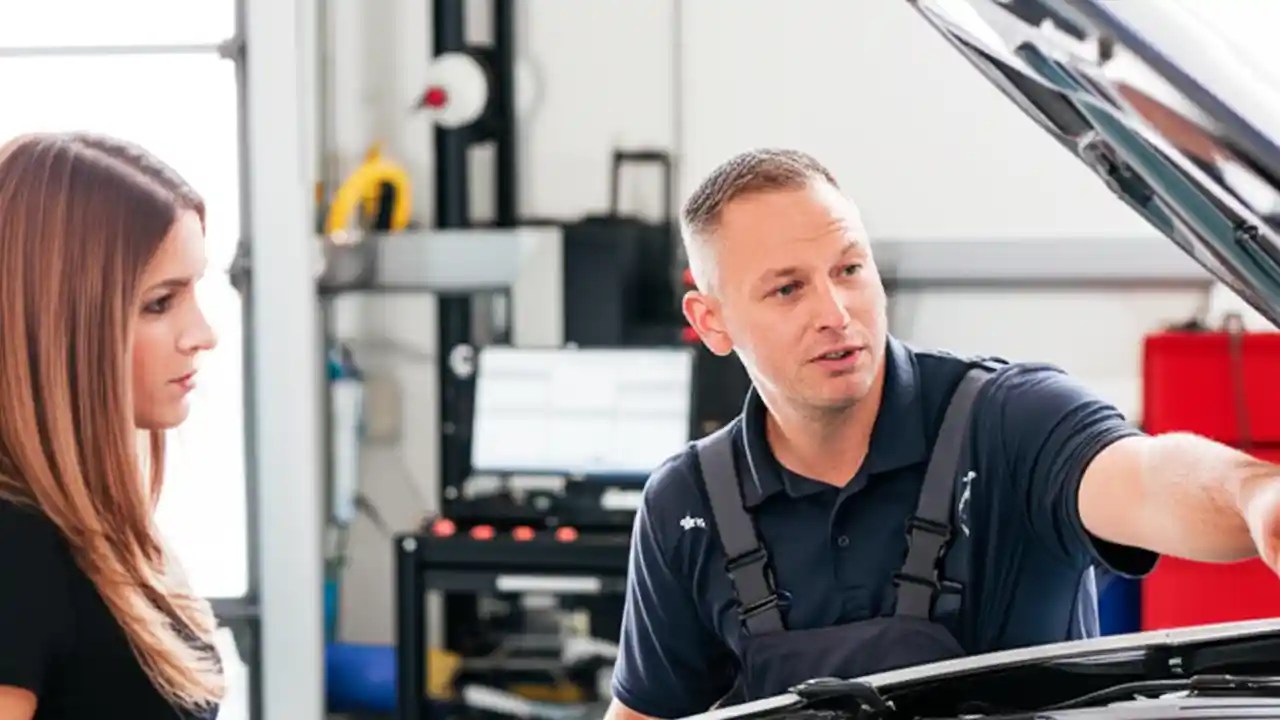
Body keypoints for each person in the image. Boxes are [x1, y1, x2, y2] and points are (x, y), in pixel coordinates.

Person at [605, 148, 1280, 719]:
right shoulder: (687, 505)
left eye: (849, 269)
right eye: (788, 289)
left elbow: (1147, 479)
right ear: (711, 321)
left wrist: (1253, 496)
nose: (837, 313)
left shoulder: (1009, 420)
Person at [0, 132, 224, 719]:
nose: (202, 334)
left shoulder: (95, 527)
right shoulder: (13, 549)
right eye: (160, 303)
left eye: (195, 291)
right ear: (61, 327)